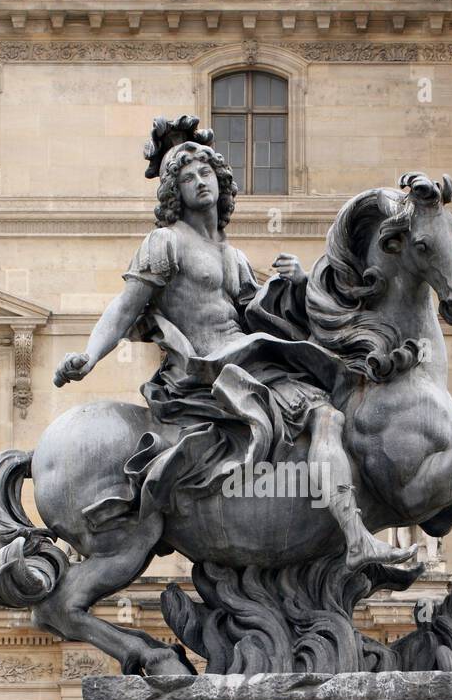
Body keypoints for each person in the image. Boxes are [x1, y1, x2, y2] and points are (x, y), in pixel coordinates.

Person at [55, 120, 415, 570]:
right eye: (187, 178)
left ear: (221, 182)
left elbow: (260, 315)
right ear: (174, 193)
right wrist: (89, 357)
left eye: (206, 173)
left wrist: (298, 282)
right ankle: (355, 536)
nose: (199, 182)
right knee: (323, 415)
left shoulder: (235, 257)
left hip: (247, 358)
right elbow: (126, 307)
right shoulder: (164, 242)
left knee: (330, 396)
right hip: (207, 370)